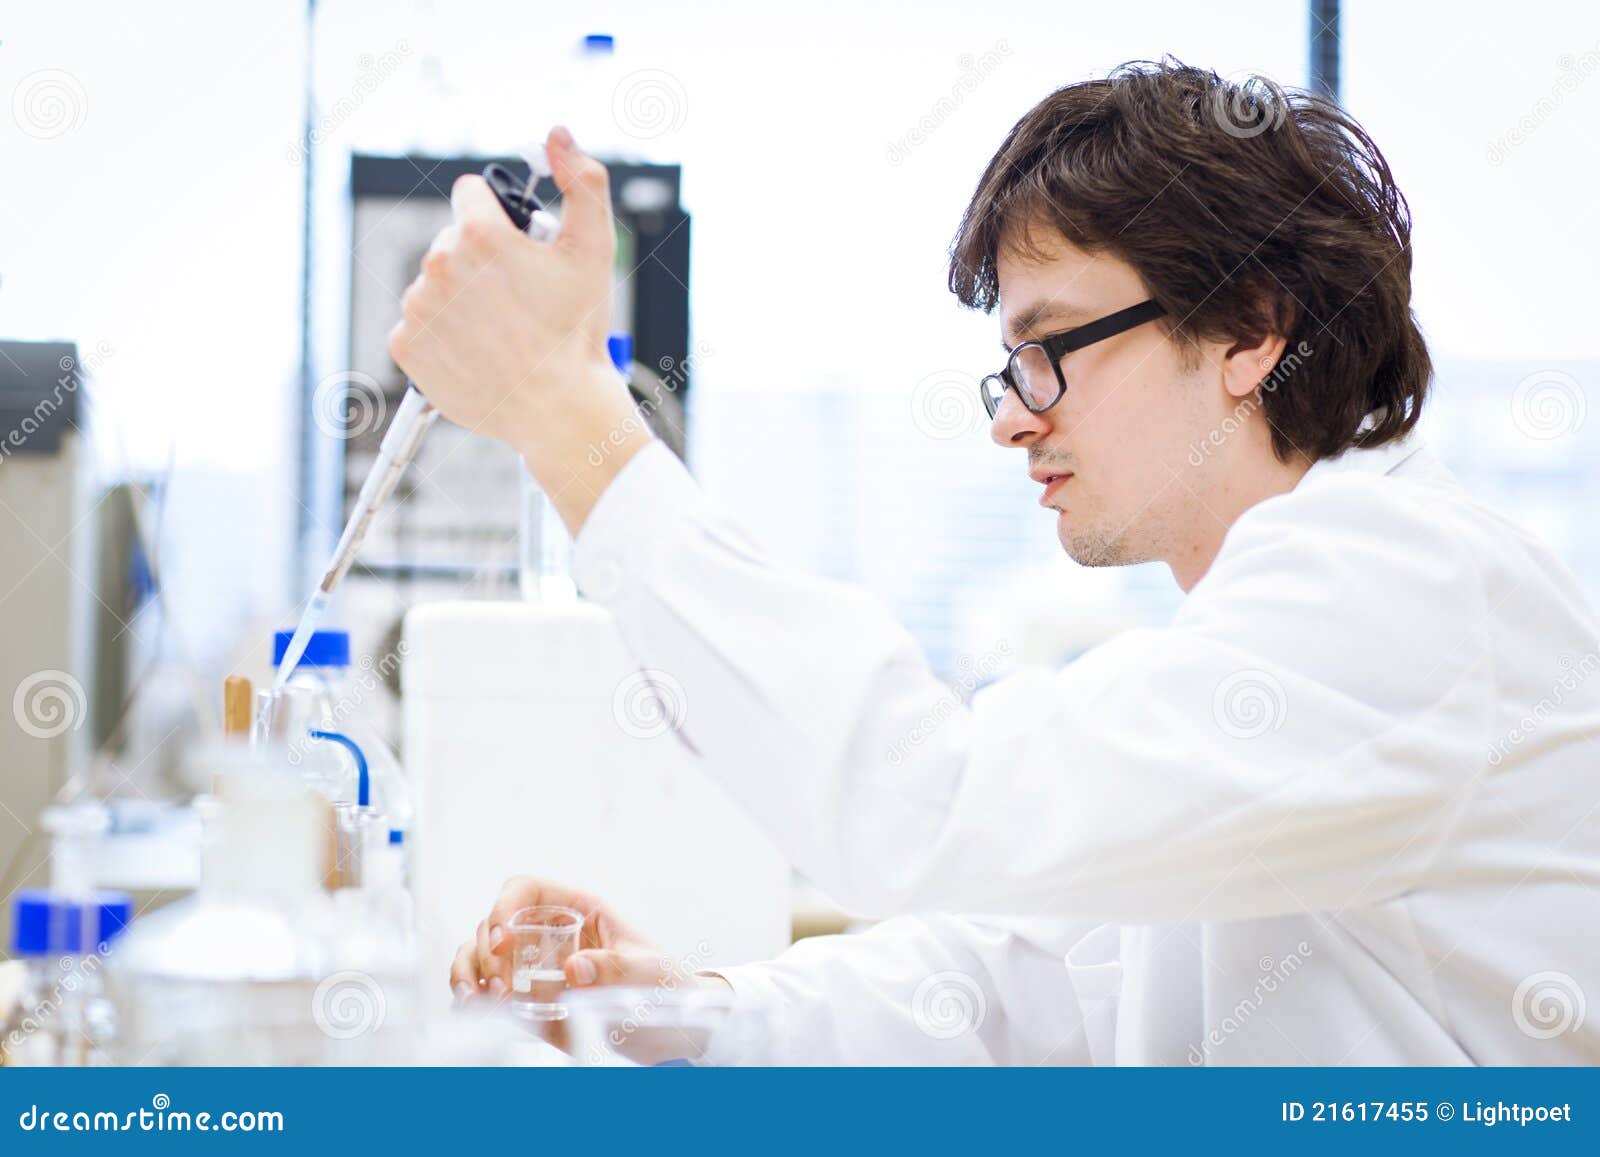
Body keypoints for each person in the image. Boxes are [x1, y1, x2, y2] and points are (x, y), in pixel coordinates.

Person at [391, 60, 1600, 1065]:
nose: (1013, 416)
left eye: (1052, 346)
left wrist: (568, 421)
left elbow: (923, 800)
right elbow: (1036, 974)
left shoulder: (1402, 586)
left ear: (1248, 330)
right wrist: (690, 1009)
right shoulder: (1273, 635)